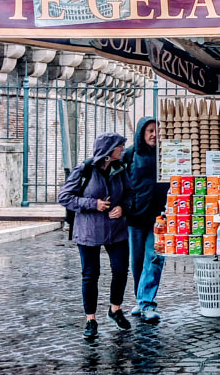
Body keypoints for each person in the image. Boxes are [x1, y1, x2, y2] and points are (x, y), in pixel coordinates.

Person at [58, 132, 133, 340]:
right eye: (120, 146)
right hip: (88, 231)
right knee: (90, 275)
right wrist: (93, 204)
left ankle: (115, 310)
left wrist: (122, 207)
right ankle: (90, 319)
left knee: (120, 270)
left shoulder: (120, 168)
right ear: (109, 151)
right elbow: (64, 197)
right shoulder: (85, 169)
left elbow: (129, 194)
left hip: (116, 230)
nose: (123, 150)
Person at [123, 117, 169, 324]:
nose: (154, 134)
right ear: (141, 133)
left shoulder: (168, 154)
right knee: (137, 262)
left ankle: (148, 302)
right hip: (135, 218)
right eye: (150, 130)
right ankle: (141, 298)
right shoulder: (130, 155)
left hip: (160, 218)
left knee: (155, 259)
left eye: (157, 130)